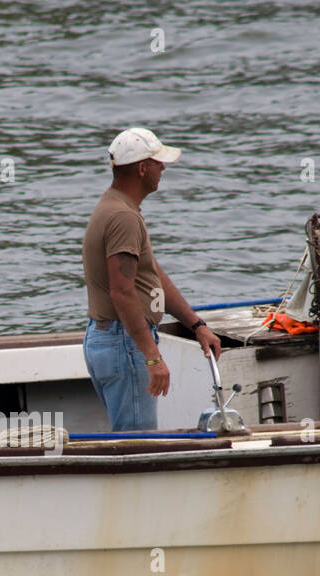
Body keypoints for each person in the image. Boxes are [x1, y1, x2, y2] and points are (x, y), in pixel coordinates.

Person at [81, 127, 220, 431]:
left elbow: (152, 275)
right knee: (138, 446)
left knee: (130, 440)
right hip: (124, 343)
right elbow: (122, 291)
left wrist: (196, 326)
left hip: (112, 339)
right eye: (158, 162)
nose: (164, 168)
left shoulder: (117, 207)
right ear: (142, 168)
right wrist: (153, 356)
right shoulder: (123, 217)